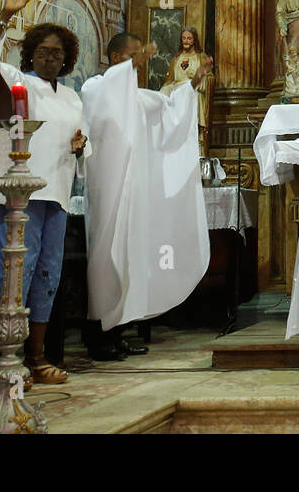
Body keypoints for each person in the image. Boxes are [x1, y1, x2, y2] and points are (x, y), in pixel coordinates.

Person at [0, 0, 88, 387]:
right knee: (12, 272)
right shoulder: (18, 82)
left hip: (55, 195)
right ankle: (7, 356)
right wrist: (5, 15)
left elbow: (83, 145)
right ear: (31, 54)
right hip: (18, 195)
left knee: (47, 274)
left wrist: (81, 146)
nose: (50, 59)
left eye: (57, 54)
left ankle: (38, 357)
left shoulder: (73, 97)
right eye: (42, 52)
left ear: (66, 58)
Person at [79, 32, 211, 345]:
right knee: (105, 257)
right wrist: (129, 68)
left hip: (134, 194)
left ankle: (118, 330)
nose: (139, 61)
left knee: (130, 257)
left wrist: (193, 83)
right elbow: (108, 95)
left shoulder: (136, 97)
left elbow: (169, 108)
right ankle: (98, 334)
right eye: (132, 56)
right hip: (108, 191)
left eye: (140, 55)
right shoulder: (95, 88)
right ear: (114, 59)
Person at [161, 26, 213, 155]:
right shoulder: (176, 59)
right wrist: (162, 94)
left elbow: (210, 78)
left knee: (194, 130)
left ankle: (197, 156)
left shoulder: (201, 57)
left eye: (189, 38)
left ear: (194, 40)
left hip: (195, 95)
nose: (186, 41)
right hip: (178, 97)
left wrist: (197, 78)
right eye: (184, 38)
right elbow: (170, 82)